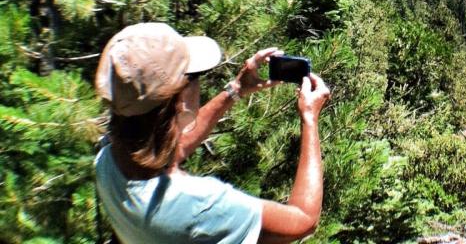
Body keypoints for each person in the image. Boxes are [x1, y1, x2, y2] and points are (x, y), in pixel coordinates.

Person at [94, 22, 330, 244]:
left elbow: (167, 149)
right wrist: (309, 118)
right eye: (194, 76)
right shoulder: (200, 205)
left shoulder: (107, 161)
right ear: (180, 100)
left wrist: (236, 89)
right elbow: (303, 220)